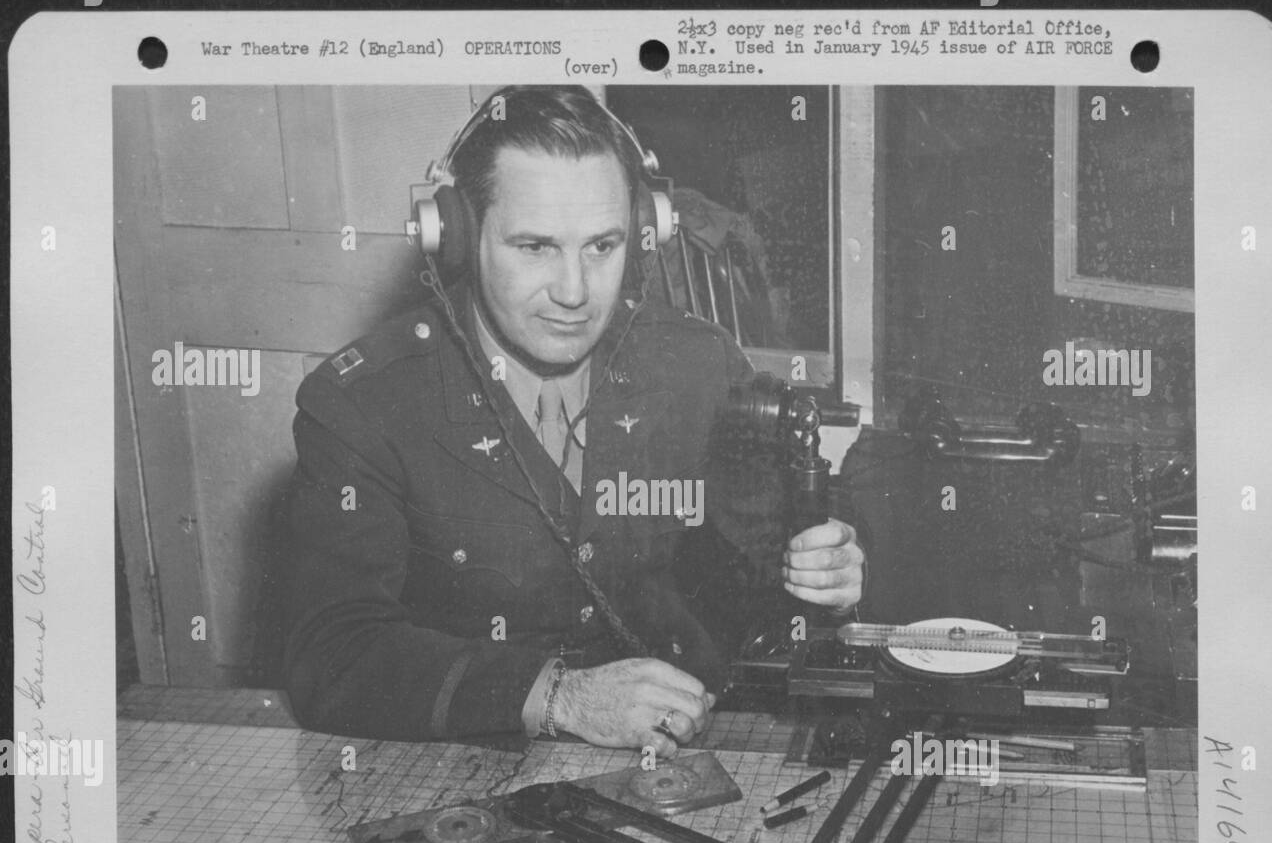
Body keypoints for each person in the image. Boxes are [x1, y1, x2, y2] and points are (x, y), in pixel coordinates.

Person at [283, 85, 864, 758]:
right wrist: (557, 698)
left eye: (602, 246)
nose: (575, 291)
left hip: (677, 760)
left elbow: (764, 574)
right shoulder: (361, 404)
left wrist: (829, 580)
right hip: (464, 770)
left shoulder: (700, 365)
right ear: (457, 236)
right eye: (535, 247)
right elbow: (329, 657)